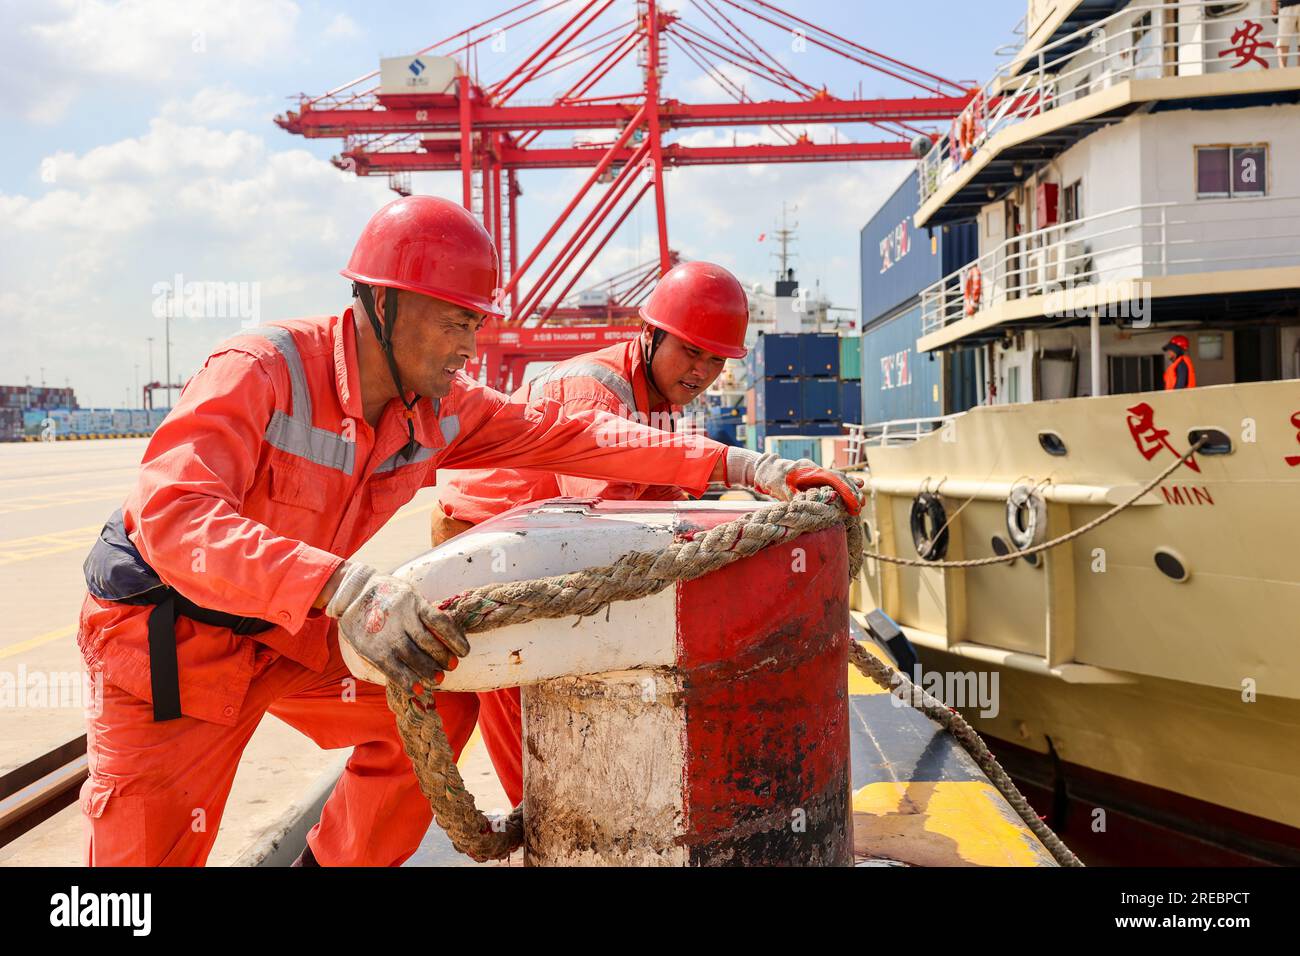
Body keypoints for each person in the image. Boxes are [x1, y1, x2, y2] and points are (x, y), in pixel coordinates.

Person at [77, 195, 862, 866]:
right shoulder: (262, 369)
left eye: (475, 325)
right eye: (455, 322)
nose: (468, 347)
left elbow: (582, 438)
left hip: (288, 631)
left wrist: (745, 468)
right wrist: (342, 585)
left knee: (431, 700)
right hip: (171, 646)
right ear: (379, 303)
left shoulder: (439, 407)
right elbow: (174, 516)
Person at [430, 259, 780, 806]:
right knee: (524, 709)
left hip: (532, 543)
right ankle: (544, 824)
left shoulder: (656, 402)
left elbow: (656, 503)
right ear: (649, 335)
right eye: (691, 351)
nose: (702, 371)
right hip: (486, 552)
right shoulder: (598, 390)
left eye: (716, 360)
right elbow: (601, 525)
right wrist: (743, 474)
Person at [1277, 0, 1300, 68]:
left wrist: (1274, 8)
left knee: (1283, 41)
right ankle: (1282, 71)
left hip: (1286, 6)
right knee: (1283, 41)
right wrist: (1274, 7)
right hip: (1286, 5)